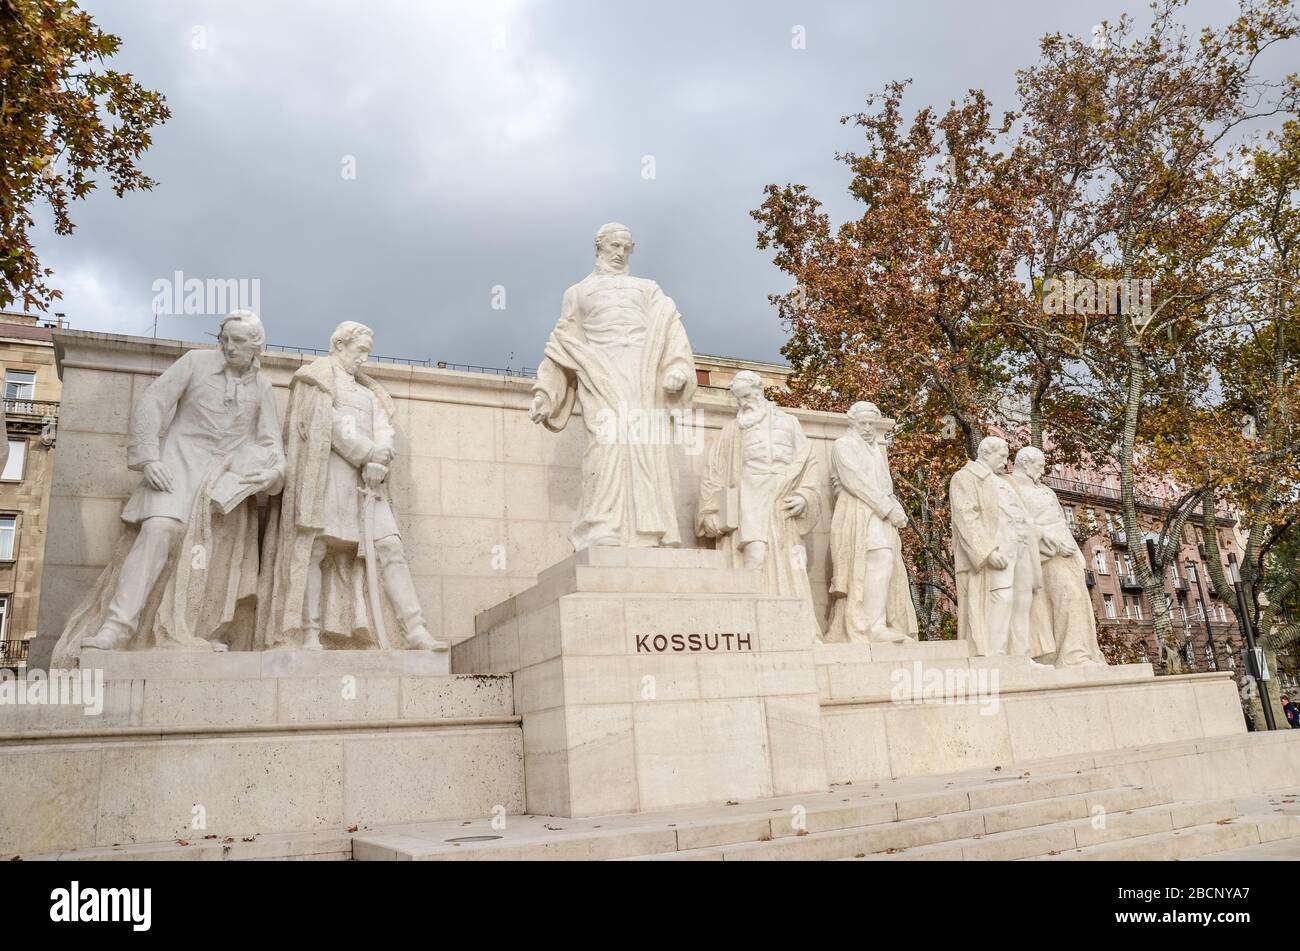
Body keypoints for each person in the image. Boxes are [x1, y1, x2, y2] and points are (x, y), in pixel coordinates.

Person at [53, 311, 284, 664]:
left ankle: (196, 631)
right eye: (225, 338)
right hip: (178, 464)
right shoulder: (196, 362)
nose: (228, 346)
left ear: (256, 346)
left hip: (224, 481)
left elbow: (272, 446)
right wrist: (148, 458)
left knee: (212, 555)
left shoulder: (262, 387)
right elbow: (153, 401)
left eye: (238, 341)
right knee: (160, 529)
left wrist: (272, 475)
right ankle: (117, 627)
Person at [257, 321, 444, 651]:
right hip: (325, 479)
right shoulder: (314, 380)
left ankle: (415, 629)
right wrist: (368, 453)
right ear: (339, 345)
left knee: (390, 547)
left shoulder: (368, 394)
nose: (364, 360)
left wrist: (380, 458)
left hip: (367, 486)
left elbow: (383, 430)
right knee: (315, 548)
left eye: (367, 354)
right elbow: (325, 425)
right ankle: (310, 632)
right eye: (360, 352)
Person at [529, 222, 697, 549]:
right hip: (599, 372)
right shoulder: (576, 293)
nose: (620, 253)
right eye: (614, 246)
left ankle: (649, 532)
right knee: (604, 446)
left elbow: (671, 329)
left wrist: (677, 367)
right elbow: (562, 344)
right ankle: (602, 525)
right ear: (599, 246)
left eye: (626, 247)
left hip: (644, 374)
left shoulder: (648, 289)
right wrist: (544, 393)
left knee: (647, 446)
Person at [696, 370, 821, 602]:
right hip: (750, 495)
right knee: (755, 554)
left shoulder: (789, 422)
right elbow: (714, 471)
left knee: (795, 562)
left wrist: (804, 496)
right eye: (738, 398)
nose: (742, 403)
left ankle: (792, 618)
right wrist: (710, 511)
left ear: (759, 390)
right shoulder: (732, 430)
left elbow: (808, 462)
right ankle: (757, 618)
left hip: (783, 496)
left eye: (746, 396)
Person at [824, 401, 917, 644]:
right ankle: (871, 625)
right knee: (875, 559)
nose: (867, 428)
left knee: (885, 562)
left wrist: (896, 507)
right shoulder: (843, 445)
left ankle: (878, 622)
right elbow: (856, 482)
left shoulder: (876, 449)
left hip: (878, 512)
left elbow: (885, 485)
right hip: (857, 511)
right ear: (852, 422)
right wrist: (888, 509)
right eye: (863, 423)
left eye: (872, 424)